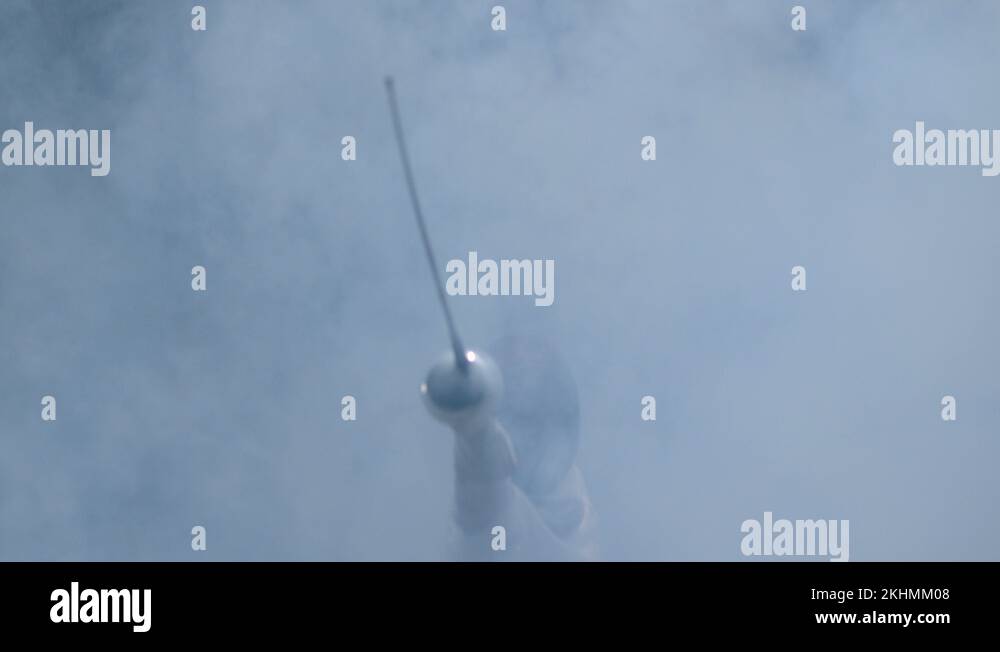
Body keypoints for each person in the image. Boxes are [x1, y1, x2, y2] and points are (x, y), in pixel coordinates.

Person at [421, 335, 595, 561]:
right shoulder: (484, 505)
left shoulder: (572, 496)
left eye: (530, 416)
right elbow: (481, 493)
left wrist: (475, 427)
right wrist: (475, 428)